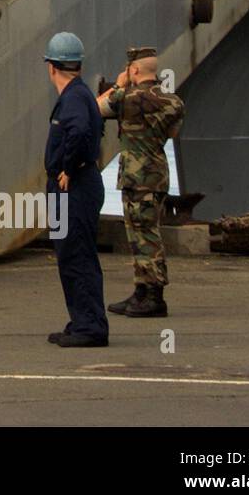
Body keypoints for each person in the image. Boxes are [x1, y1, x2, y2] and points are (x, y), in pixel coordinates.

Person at [98, 46, 185, 317]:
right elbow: (171, 132)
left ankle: (154, 296)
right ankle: (141, 290)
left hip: (135, 176)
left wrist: (118, 84)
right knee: (144, 233)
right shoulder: (173, 102)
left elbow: (95, 108)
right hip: (156, 175)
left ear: (133, 69)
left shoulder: (125, 98)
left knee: (143, 235)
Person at [42, 31, 109, 347]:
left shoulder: (73, 98)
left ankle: (90, 328)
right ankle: (82, 320)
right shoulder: (79, 95)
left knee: (77, 255)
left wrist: (69, 168)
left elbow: (80, 132)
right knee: (71, 255)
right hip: (73, 186)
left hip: (74, 187)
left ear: (51, 67)